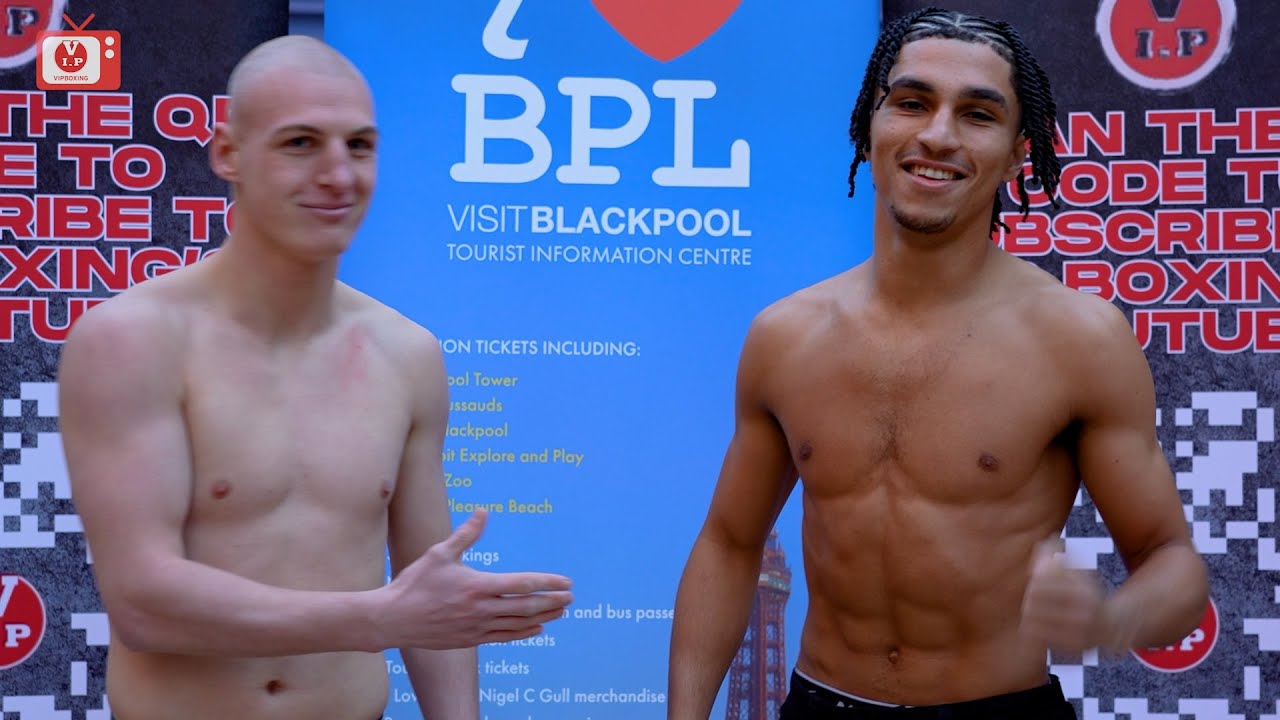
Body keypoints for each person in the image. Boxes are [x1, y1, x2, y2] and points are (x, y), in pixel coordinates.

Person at [667, 8, 1208, 719]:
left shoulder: (1079, 339)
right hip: (821, 704)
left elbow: (1171, 559)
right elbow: (730, 544)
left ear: (1019, 153)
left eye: (978, 114)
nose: (938, 135)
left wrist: (1114, 621)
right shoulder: (785, 336)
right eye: (912, 102)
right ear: (870, 124)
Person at [58, 35, 572, 720]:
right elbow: (144, 604)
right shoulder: (132, 340)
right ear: (227, 153)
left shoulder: (407, 354)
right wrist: (379, 618)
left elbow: (429, 590)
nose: (339, 175)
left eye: (359, 146)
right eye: (300, 143)